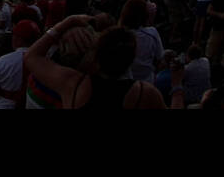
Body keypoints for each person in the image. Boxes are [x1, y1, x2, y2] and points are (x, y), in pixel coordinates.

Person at [23, 16, 165, 109]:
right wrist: (177, 89)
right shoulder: (144, 92)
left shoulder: (73, 85)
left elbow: (31, 56)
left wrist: (68, 22)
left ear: (95, 58)